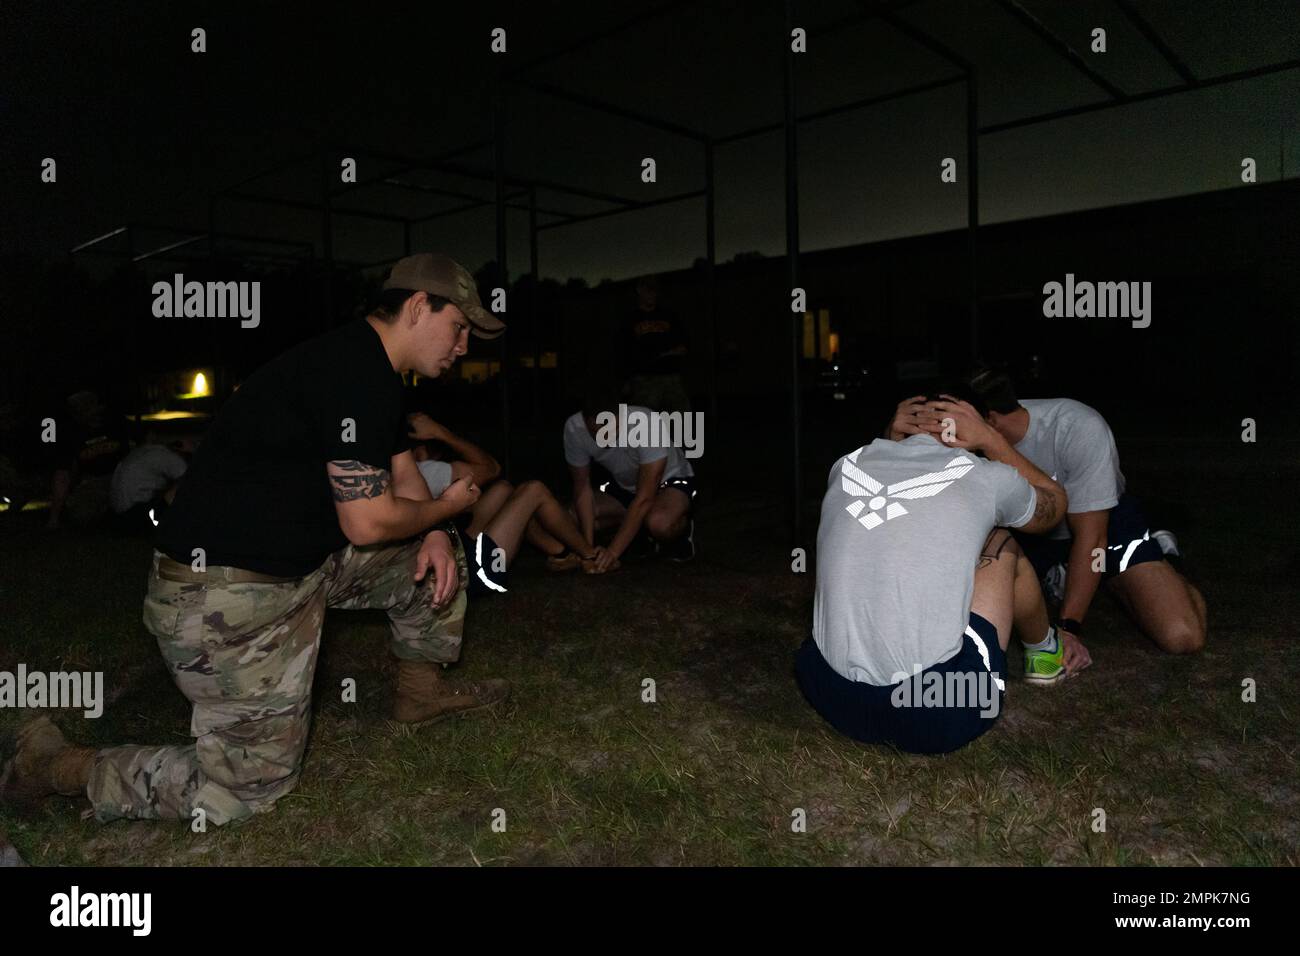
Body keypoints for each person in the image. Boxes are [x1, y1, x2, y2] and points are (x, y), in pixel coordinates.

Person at [1, 253, 510, 827]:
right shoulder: (352, 372)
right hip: (221, 597)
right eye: (459, 327)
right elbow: (367, 523)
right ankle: (54, 765)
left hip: (298, 566)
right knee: (247, 792)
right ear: (419, 306)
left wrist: (439, 529)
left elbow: (404, 478)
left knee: (437, 554)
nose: (464, 345)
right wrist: (448, 506)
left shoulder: (373, 373)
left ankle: (419, 694)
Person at [796, 388, 1069, 755]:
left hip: (828, 693)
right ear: (969, 427)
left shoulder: (844, 466)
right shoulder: (985, 477)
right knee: (1002, 542)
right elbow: (1054, 506)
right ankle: (1045, 653)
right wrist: (992, 441)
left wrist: (887, 438)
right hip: (936, 711)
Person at [960, 367, 1207, 661]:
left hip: (1101, 523)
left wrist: (1067, 628)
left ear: (989, 419)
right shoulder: (957, 439)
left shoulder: (1076, 427)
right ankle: (1058, 573)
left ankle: (1162, 557)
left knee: (1182, 635)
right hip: (1024, 533)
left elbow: (1092, 537)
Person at [407, 411, 603, 590]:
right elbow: (490, 468)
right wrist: (441, 433)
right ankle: (591, 555)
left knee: (503, 490)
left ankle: (559, 553)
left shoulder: (396, 474)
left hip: (455, 550)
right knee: (534, 490)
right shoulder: (419, 471)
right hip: (473, 573)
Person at [564, 391, 696, 571]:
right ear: (585, 421)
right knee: (570, 518)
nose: (606, 439)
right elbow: (581, 488)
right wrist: (587, 550)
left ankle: (681, 531)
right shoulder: (574, 428)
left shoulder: (646, 423)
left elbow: (644, 498)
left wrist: (612, 553)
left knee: (659, 523)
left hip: (670, 481)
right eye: (597, 433)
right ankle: (638, 532)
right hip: (626, 486)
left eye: (611, 431)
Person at [45, 390, 130, 529]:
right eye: (77, 408)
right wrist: (53, 518)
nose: (83, 410)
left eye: (87, 405)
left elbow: (143, 446)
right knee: (81, 516)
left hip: (124, 476)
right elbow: (62, 474)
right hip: (93, 482)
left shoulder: (117, 424)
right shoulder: (71, 433)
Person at [622, 275, 690, 414]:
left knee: (680, 422)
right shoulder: (630, 319)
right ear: (639, 291)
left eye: (654, 290)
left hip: (671, 378)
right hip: (644, 380)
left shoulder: (668, 315)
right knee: (644, 424)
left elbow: (682, 343)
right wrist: (625, 379)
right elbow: (624, 351)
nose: (652, 294)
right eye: (648, 290)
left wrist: (673, 351)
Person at [108, 435, 196, 534]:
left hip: (118, 513)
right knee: (182, 486)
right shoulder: (170, 457)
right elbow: (191, 480)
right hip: (134, 514)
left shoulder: (148, 450)